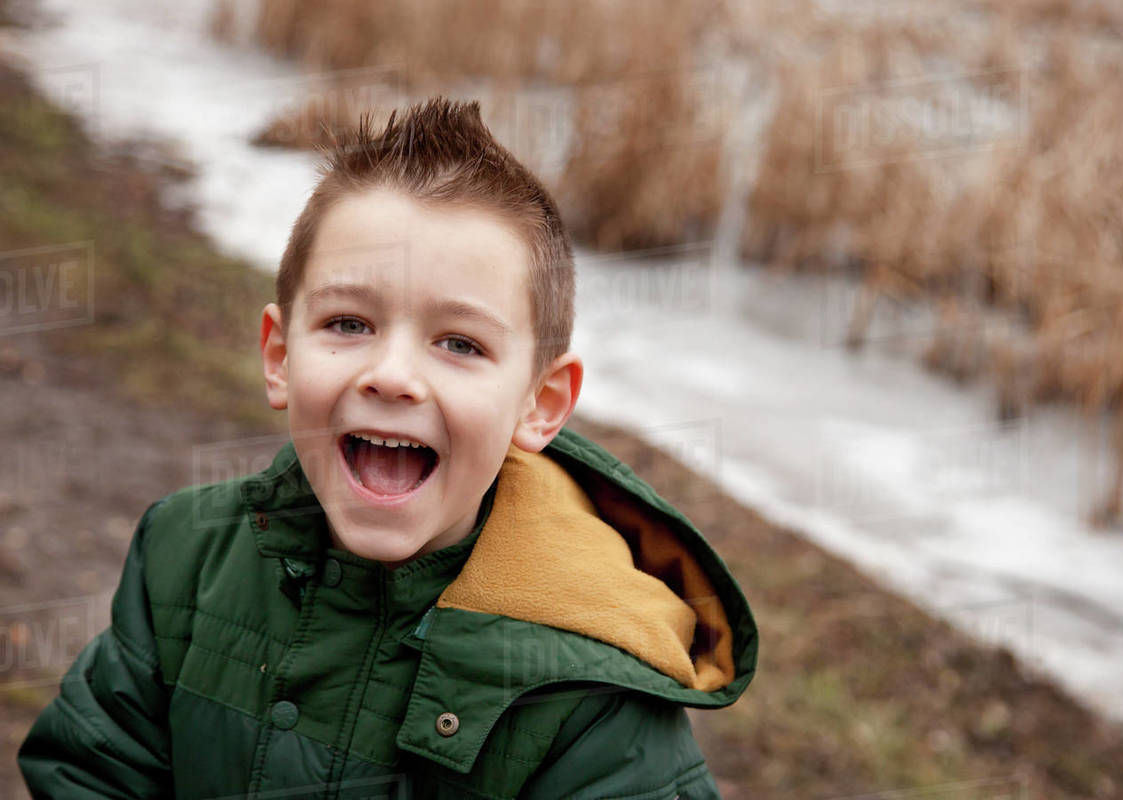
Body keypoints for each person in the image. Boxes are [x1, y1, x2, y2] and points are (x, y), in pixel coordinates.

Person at [18, 97, 757, 799]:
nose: (394, 376)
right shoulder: (185, 560)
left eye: (459, 343)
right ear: (280, 356)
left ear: (540, 405)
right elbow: (90, 769)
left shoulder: (589, 690)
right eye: (348, 324)